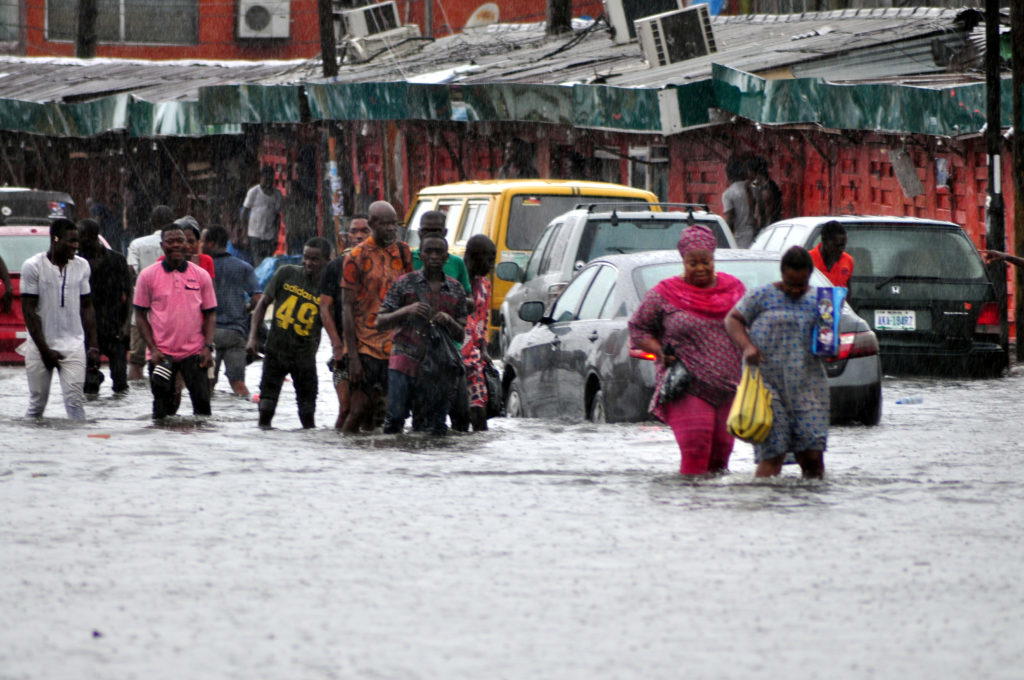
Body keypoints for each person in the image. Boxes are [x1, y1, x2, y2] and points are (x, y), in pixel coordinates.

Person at [628, 225, 746, 475]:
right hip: (687, 386)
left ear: (714, 258)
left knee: (721, 457)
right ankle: (688, 509)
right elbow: (638, 329)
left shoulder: (733, 289)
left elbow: (753, 324)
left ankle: (714, 511)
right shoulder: (665, 293)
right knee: (696, 449)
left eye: (706, 262)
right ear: (683, 260)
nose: (701, 268)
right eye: (693, 263)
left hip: (728, 387)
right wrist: (659, 351)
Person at [725, 246, 829, 479]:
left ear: (809, 277)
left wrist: (830, 346)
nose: (794, 290)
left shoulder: (820, 301)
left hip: (808, 387)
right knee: (773, 452)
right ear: (782, 273)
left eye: (800, 285)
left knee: (812, 455)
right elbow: (732, 320)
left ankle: (810, 506)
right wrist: (747, 346)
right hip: (767, 385)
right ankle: (767, 504)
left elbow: (828, 339)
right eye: (790, 283)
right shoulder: (761, 296)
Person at [377, 235, 469, 435]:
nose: (434, 256)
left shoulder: (456, 289)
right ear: (421, 255)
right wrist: (407, 310)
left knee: (435, 426)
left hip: (439, 365)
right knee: (395, 419)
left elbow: (461, 336)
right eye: (429, 252)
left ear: (447, 257)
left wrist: (448, 320)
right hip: (405, 357)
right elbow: (380, 321)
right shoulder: (404, 283)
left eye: (439, 252)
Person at [338, 201, 412, 433]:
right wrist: (352, 356)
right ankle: (343, 456)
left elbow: (410, 296)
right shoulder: (355, 257)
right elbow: (346, 308)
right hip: (366, 345)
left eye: (395, 223)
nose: (392, 228)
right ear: (372, 225)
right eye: (386, 224)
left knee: (394, 411)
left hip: (397, 346)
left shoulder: (403, 252)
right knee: (359, 409)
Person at [133, 225, 217, 420]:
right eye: (171, 241)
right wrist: (152, 348)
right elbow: (139, 315)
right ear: (163, 246)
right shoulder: (147, 276)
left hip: (195, 353)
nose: (177, 245)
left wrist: (208, 347)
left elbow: (211, 314)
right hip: (162, 354)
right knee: (162, 411)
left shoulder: (201, 275)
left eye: (181, 240)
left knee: (203, 410)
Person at [247, 237, 331, 429]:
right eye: (306, 257)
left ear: (327, 260)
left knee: (307, 412)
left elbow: (331, 322)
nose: (308, 263)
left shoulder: (328, 289)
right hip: (275, 350)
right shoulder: (286, 273)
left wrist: (338, 348)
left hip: (305, 356)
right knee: (266, 406)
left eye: (315, 259)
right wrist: (252, 338)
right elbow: (262, 305)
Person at [19, 218, 99, 420]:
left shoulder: (82, 266)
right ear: (55, 239)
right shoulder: (32, 266)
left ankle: (79, 448)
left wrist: (94, 346)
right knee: (37, 404)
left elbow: (87, 306)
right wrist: (44, 350)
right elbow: (29, 312)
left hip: (73, 345)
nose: (76, 246)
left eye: (77, 241)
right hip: (40, 345)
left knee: (75, 404)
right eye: (71, 241)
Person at [319, 216, 371, 430]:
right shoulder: (335, 267)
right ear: (347, 236)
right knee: (346, 409)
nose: (359, 235)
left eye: (364, 230)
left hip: (374, 350)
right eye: (354, 231)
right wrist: (337, 345)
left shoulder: (380, 265)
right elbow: (324, 308)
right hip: (343, 353)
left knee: (371, 414)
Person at [202, 225, 261, 398]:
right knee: (238, 383)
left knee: (207, 386)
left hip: (208, 336)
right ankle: (246, 419)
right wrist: (245, 311)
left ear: (211, 244)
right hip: (235, 333)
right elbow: (258, 299)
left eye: (203, 241)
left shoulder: (200, 268)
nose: (200, 244)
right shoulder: (243, 267)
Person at [77, 218, 133, 397]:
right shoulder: (76, 262)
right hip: (85, 329)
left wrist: (126, 326)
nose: (77, 242)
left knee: (120, 384)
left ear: (91, 236)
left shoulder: (117, 260)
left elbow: (129, 294)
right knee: (89, 385)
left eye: (80, 237)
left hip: (114, 328)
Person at [126, 205, 176, 380]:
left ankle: (138, 402)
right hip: (169, 315)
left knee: (136, 363)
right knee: (172, 364)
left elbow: (131, 272)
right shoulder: (177, 244)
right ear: (172, 222)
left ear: (152, 221)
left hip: (142, 314)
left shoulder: (137, 244)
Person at [459, 234, 497, 431]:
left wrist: (484, 349)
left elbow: (483, 319)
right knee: (457, 416)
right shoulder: (454, 279)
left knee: (479, 410)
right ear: (473, 257)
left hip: (474, 359)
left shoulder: (485, 285)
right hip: (453, 356)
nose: (492, 265)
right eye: (489, 259)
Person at [412, 211, 471, 294]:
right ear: (419, 232)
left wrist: (449, 298)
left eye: (436, 231)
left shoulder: (457, 263)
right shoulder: (407, 257)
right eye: (426, 230)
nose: (431, 235)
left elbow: (468, 296)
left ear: (445, 232)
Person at [241, 166, 283, 267]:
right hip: (254, 235)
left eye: (270, 178)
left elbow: (277, 216)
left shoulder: (277, 195)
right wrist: (244, 233)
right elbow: (245, 213)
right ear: (261, 178)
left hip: (270, 236)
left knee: (267, 263)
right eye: (266, 177)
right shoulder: (253, 192)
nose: (268, 180)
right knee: (258, 262)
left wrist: (276, 235)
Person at [722, 155, 756, 248]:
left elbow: (730, 220)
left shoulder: (728, 194)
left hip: (740, 239)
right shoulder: (753, 188)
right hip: (758, 235)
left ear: (728, 174)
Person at [809, 220, 855, 288]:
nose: (841, 250)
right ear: (824, 240)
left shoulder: (848, 260)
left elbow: (847, 293)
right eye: (837, 245)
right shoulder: (808, 260)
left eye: (843, 246)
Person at [748, 155, 782, 234]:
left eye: (749, 171)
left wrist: (763, 230)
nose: (748, 173)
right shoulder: (763, 186)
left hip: (766, 229)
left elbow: (768, 214)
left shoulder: (766, 189)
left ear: (754, 172)